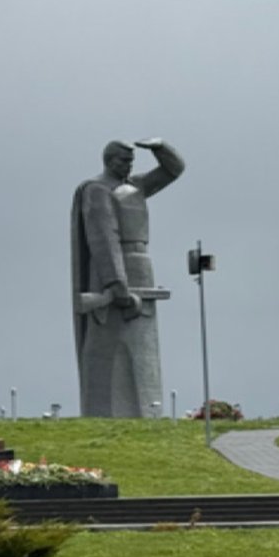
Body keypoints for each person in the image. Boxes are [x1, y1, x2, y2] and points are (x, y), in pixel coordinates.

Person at [72, 138, 185, 417]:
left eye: (131, 162)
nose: (128, 166)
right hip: (115, 270)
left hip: (141, 265)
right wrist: (117, 283)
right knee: (111, 342)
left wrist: (160, 147)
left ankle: (147, 408)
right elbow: (103, 237)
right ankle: (110, 410)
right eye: (123, 161)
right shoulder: (97, 189)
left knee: (142, 341)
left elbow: (174, 170)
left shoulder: (136, 186)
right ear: (109, 160)